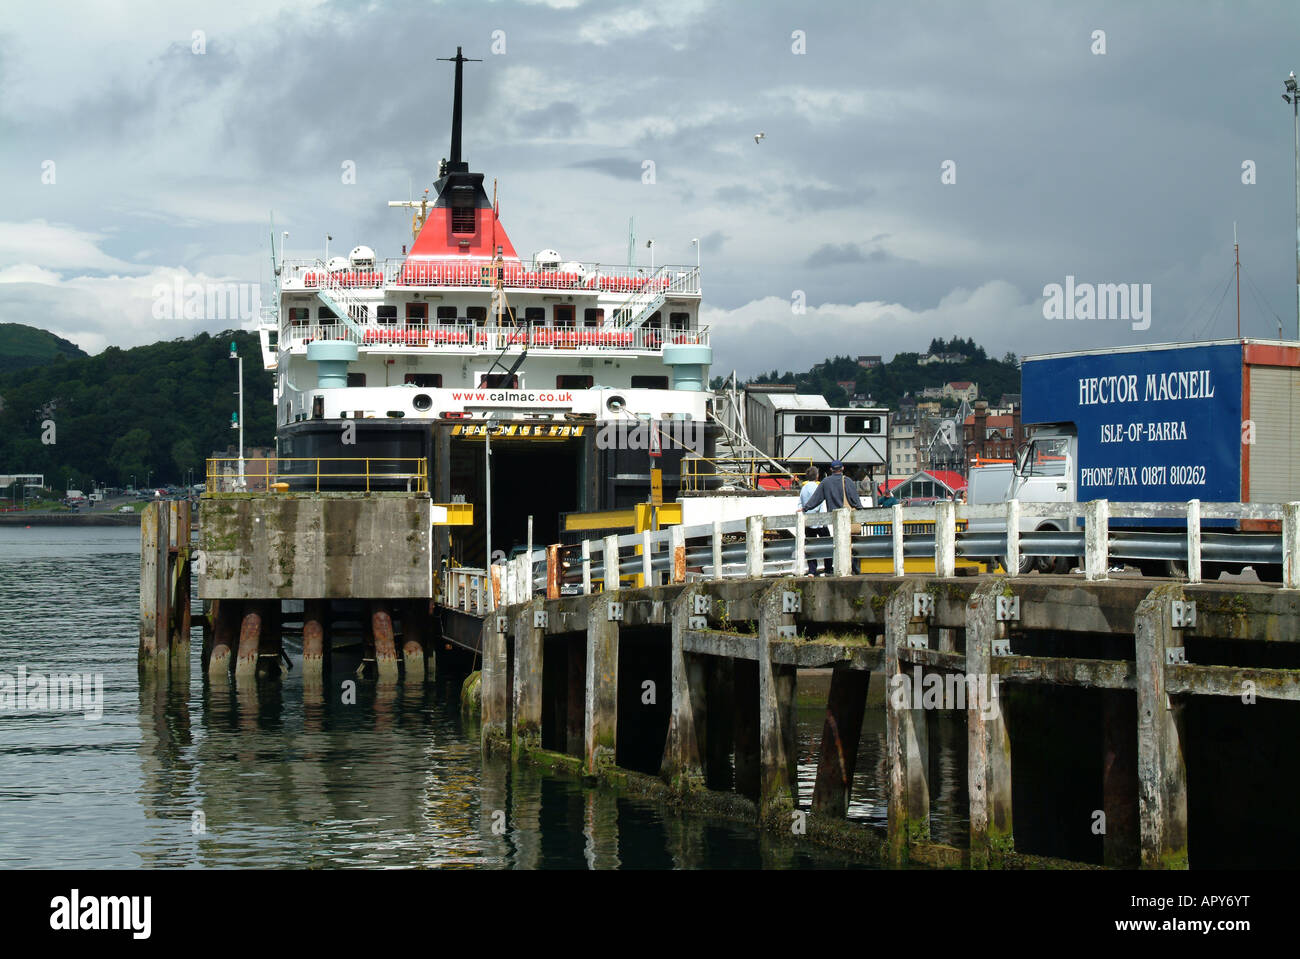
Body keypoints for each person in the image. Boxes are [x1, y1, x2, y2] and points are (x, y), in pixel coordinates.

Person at [796, 460, 863, 573]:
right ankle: (853, 568)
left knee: (834, 543)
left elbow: (816, 499)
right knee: (849, 543)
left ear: (831, 470)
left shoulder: (825, 482)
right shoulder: (847, 481)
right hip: (848, 517)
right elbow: (855, 500)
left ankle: (835, 569)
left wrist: (805, 509)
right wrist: (861, 512)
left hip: (834, 518)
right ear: (842, 469)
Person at [798, 466, 829, 575]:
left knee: (810, 546)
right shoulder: (818, 487)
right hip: (819, 521)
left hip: (808, 521)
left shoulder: (804, 488)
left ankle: (812, 570)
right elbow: (820, 502)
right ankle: (828, 568)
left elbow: (800, 504)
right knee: (827, 544)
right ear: (817, 476)